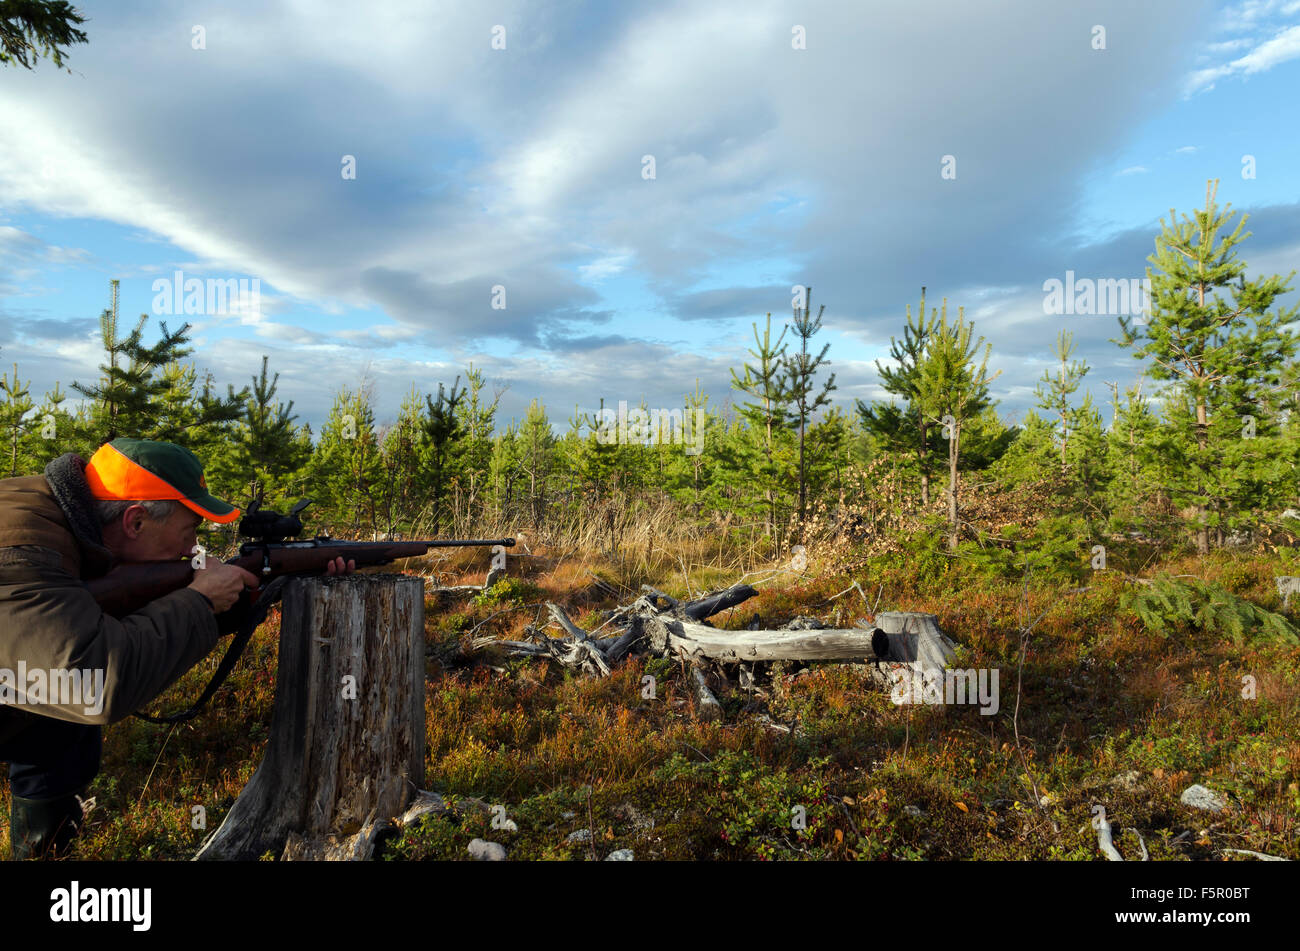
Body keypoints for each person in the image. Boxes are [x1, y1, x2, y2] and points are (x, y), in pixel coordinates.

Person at [0, 438, 349, 859]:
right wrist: (199, 602)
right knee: (67, 700)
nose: (191, 552)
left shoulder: (66, 516)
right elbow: (94, 682)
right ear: (135, 521)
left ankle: (44, 851)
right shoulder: (23, 552)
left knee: (61, 728)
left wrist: (253, 594)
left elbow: (91, 614)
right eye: (188, 534)